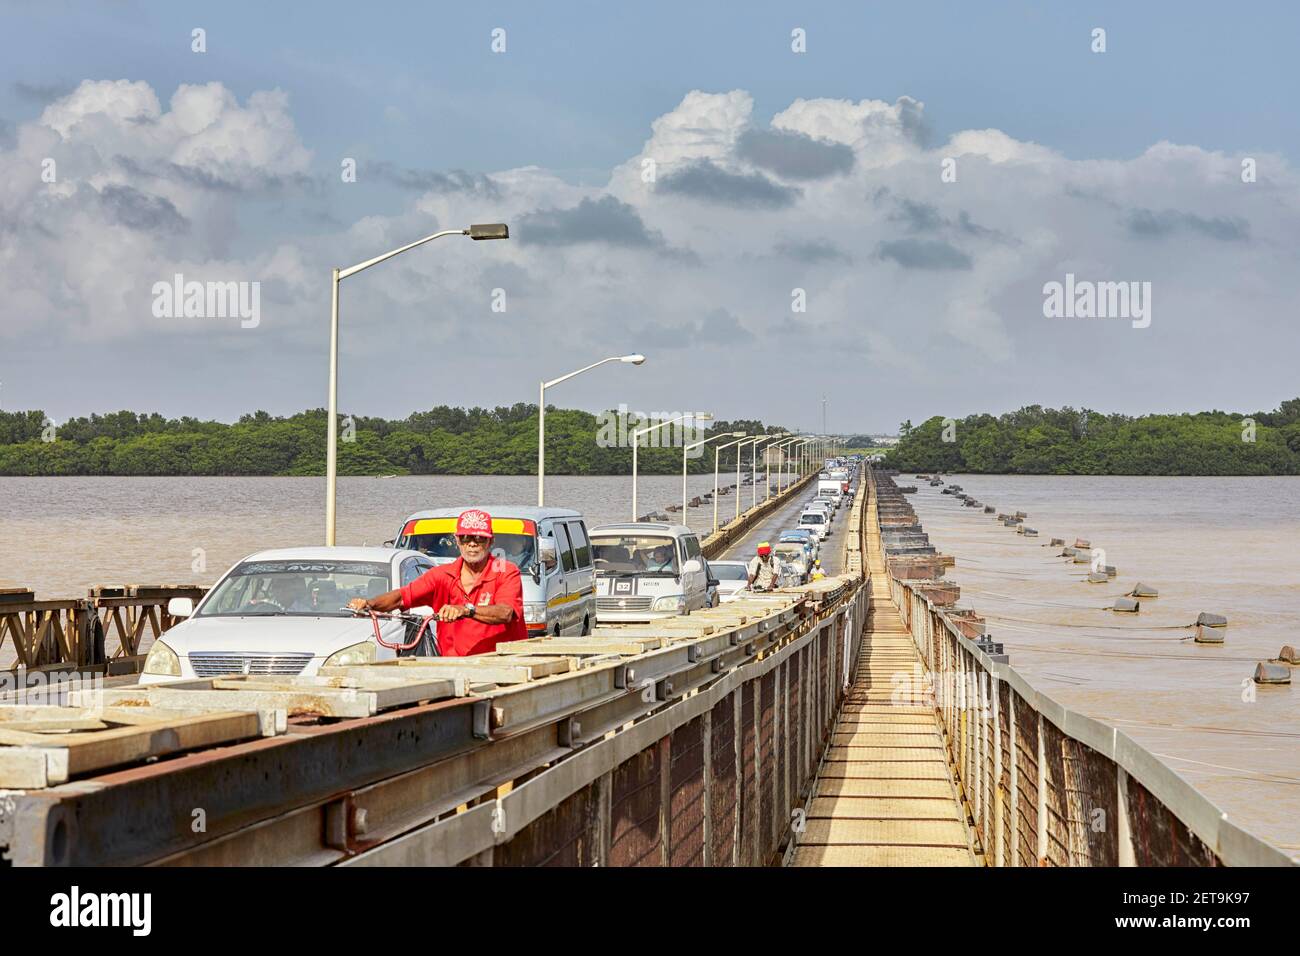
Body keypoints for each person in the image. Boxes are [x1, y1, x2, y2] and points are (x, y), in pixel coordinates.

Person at [348, 509, 527, 656]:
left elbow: (506, 612)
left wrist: (466, 610)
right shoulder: (441, 575)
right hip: (455, 666)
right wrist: (369, 603)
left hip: (503, 664)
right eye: (466, 538)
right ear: (457, 541)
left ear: (490, 541)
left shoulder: (505, 571)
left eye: (479, 538)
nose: (472, 544)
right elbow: (401, 597)